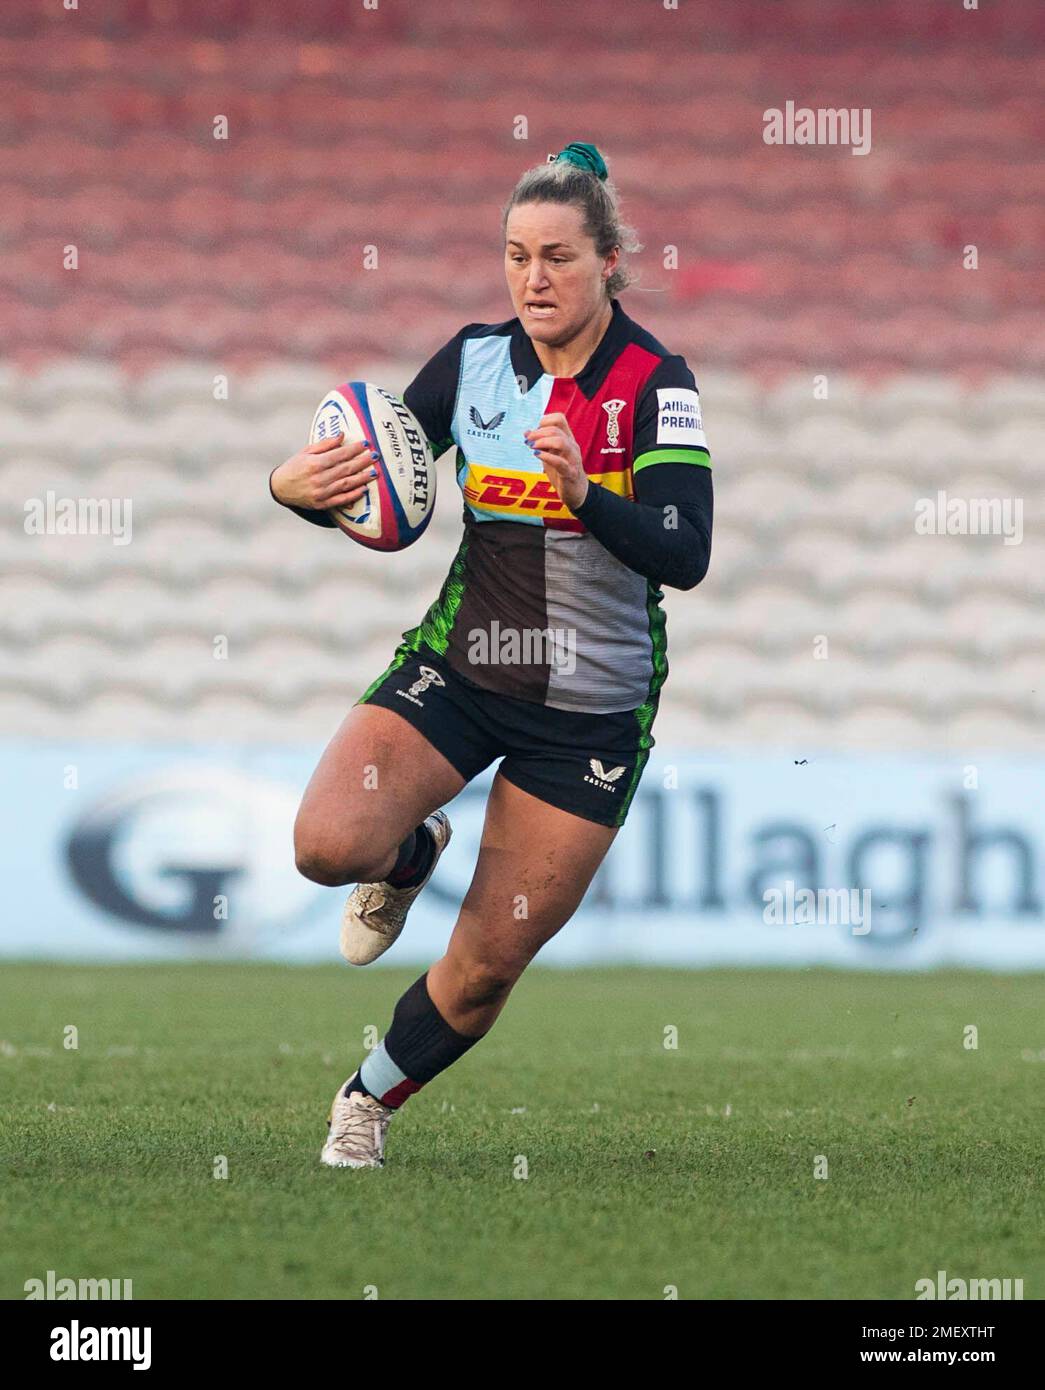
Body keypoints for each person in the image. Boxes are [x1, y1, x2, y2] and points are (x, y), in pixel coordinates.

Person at [269, 142, 713, 1167]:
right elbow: (382, 489)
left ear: (608, 261)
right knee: (326, 845)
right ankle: (413, 850)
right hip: (461, 674)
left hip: (589, 716)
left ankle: (364, 1101)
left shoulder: (655, 383)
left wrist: (588, 497)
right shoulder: (472, 361)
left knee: (483, 967)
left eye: (557, 257)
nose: (533, 279)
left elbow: (686, 553)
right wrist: (297, 494)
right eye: (516, 256)